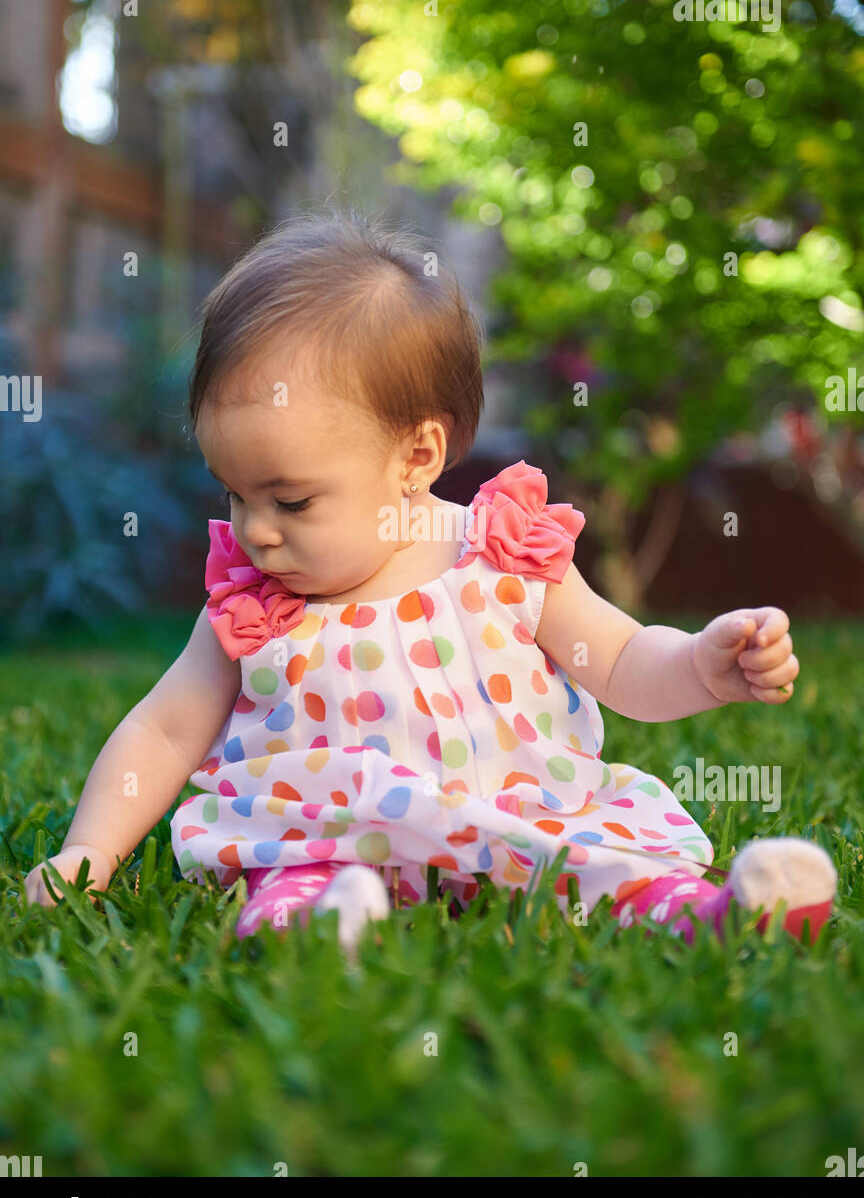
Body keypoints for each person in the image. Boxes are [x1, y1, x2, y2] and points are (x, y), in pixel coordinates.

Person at [24, 208, 837, 957]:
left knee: (599, 870)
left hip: (518, 821)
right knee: (290, 878)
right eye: (233, 492)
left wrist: (700, 664)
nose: (256, 528)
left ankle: (718, 909)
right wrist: (90, 850)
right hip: (330, 834)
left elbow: (621, 661)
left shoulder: (503, 554)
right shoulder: (256, 603)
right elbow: (164, 732)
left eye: (291, 499)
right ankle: (319, 926)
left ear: (416, 457)